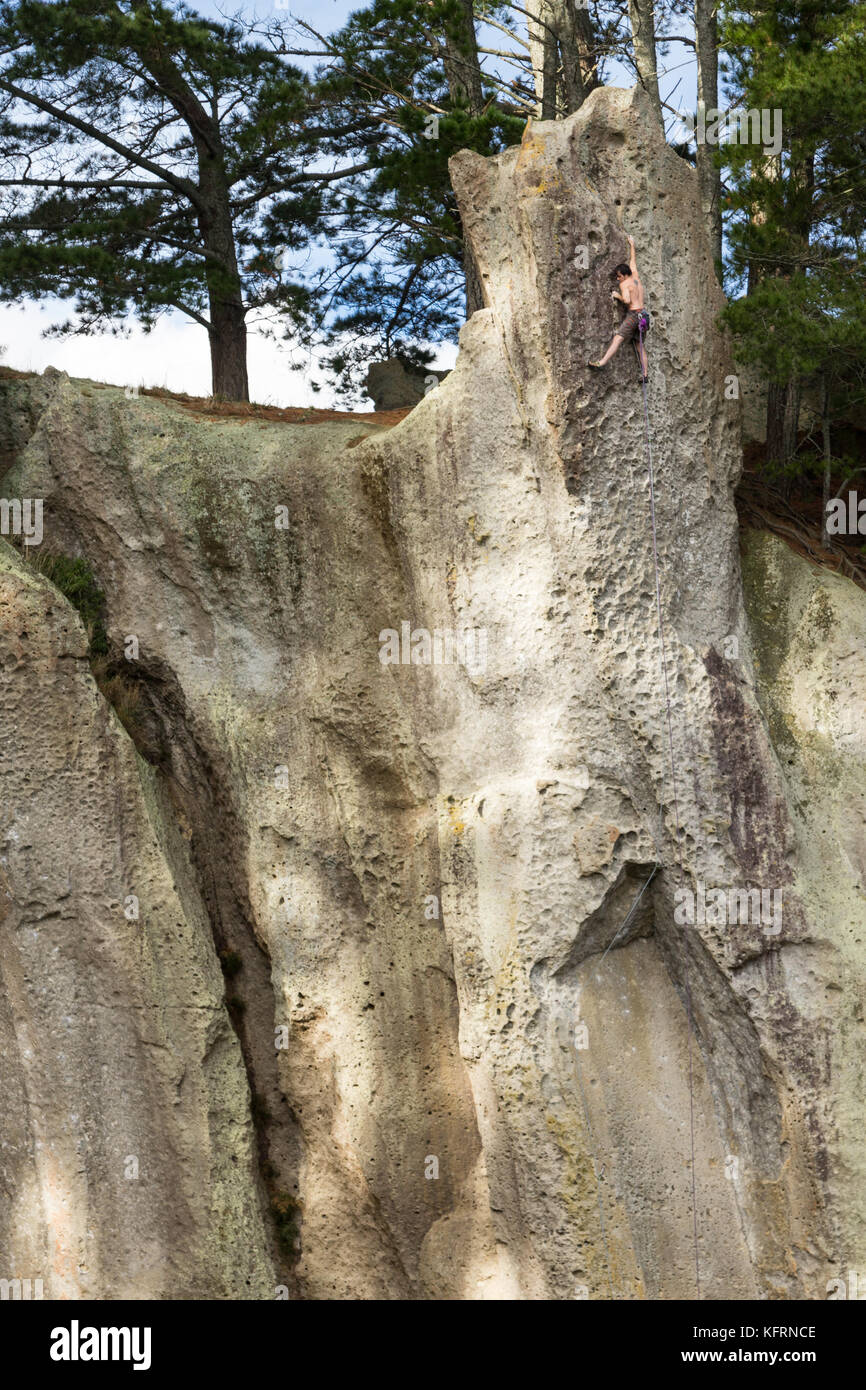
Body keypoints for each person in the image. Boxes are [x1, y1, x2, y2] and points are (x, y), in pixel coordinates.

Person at [587, 235, 649, 383]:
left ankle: (602, 362)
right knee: (639, 345)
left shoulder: (625, 284)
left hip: (634, 316)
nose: (618, 279)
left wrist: (617, 296)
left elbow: (627, 300)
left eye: (619, 276)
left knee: (618, 338)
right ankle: (645, 374)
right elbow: (633, 261)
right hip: (645, 316)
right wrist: (632, 244)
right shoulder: (635, 276)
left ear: (624, 275)